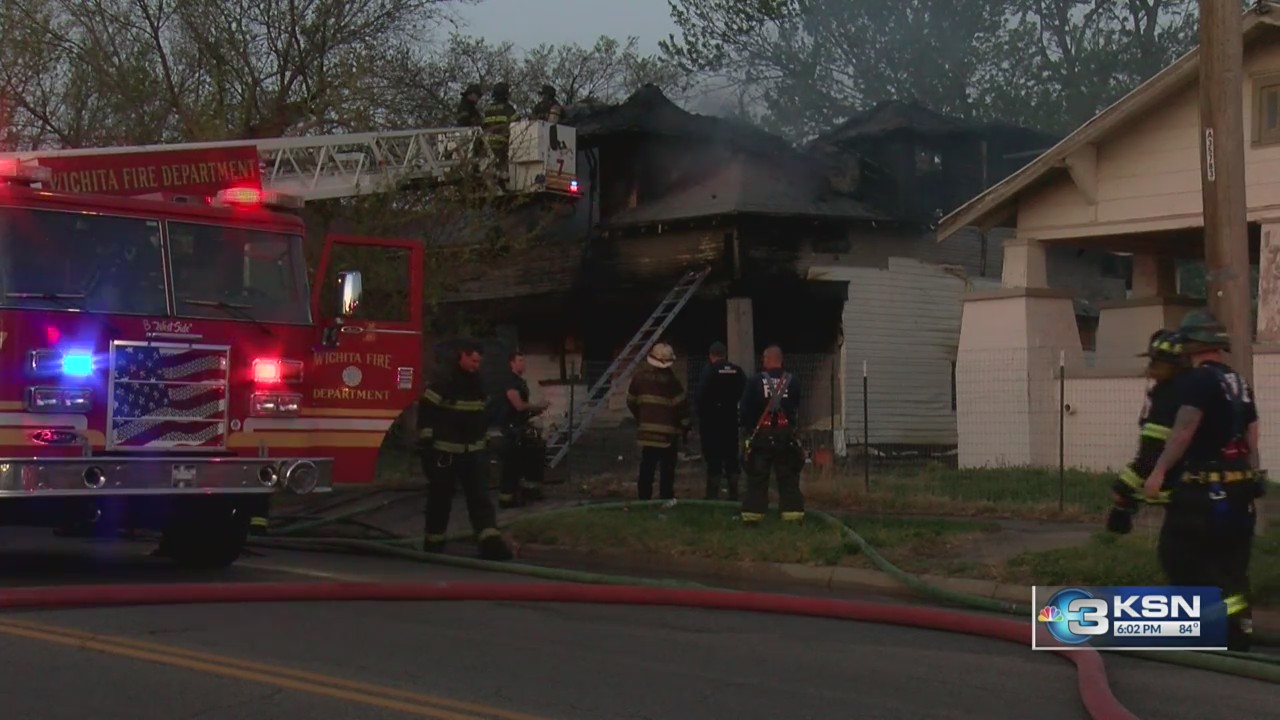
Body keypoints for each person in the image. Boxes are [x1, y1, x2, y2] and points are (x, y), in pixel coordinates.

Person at [1143, 310, 1265, 652]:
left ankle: (1201, 629)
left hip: (1204, 491)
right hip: (1239, 488)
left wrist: (1159, 472)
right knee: (1232, 562)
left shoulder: (1199, 381)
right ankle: (1237, 630)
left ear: (1192, 347)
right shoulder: (1238, 382)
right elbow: (1253, 434)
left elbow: (1184, 431)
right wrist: (1246, 473)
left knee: (1181, 556)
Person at [417, 339, 513, 561]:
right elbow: (426, 413)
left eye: (479, 361)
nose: (476, 365)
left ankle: (489, 544)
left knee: (480, 499)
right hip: (444, 454)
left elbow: (481, 418)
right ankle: (433, 545)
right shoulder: (443, 383)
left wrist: (486, 444)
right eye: (473, 360)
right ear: (461, 356)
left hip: (473, 454)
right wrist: (427, 445)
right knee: (440, 500)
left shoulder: (478, 384)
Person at [1105, 329, 1189, 534]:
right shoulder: (1193, 391)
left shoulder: (1166, 397)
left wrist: (1123, 488)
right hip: (1201, 488)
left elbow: (1151, 452)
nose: (1150, 368)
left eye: (1155, 362)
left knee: (1178, 555)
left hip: (1182, 492)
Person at [738, 345, 805, 525]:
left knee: (757, 479)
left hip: (761, 438)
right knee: (789, 478)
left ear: (767, 360)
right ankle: (793, 517)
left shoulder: (754, 381)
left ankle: (753, 518)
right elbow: (797, 408)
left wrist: (748, 429)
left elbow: (745, 410)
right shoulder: (794, 381)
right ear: (781, 360)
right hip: (786, 438)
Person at [625, 343, 691, 500]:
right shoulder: (672, 382)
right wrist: (686, 426)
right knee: (667, 469)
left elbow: (630, 401)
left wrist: (642, 418)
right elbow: (681, 409)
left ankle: (643, 499)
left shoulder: (639, 378)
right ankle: (665, 498)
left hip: (647, 432)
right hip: (668, 436)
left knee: (647, 467)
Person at [494, 350, 549, 509]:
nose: (522, 364)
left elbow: (523, 408)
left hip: (521, 426)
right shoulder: (510, 381)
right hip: (512, 429)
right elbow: (518, 405)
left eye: (523, 361)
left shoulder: (519, 381)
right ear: (511, 363)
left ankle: (530, 492)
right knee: (512, 465)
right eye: (519, 361)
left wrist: (535, 411)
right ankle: (507, 499)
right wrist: (537, 406)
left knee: (533, 456)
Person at [695, 341, 746, 500]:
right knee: (731, 458)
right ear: (725, 355)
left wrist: (701, 417)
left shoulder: (709, 371)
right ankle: (733, 495)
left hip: (712, 423)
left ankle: (712, 497)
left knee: (714, 460)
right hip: (730, 421)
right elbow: (745, 394)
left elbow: (700, 396)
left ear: (711, 356)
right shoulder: (737, 371)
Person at [482, 83, 517, 174]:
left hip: (488, 145)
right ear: (506, 95)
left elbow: (483, 125)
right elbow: (518, 124)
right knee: (502, 171)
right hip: (502, 144)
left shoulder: (488, 109)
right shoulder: (508, 108)